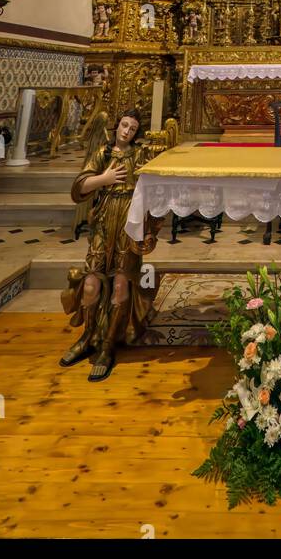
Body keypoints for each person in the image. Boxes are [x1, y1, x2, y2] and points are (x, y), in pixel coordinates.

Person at [59, 110, 162, 382]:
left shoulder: (140, 155)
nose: (126, 131)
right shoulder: (103, 154)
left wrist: (150, 229)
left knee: (120, 284)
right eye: (124, 125)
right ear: (117, 126)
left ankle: (107, 346)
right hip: (104, 220)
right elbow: (79, 187)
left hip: (129, 221)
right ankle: (87, 336)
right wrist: (104, 179)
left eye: (132, 128)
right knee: (91, 284)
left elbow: (155, 187)